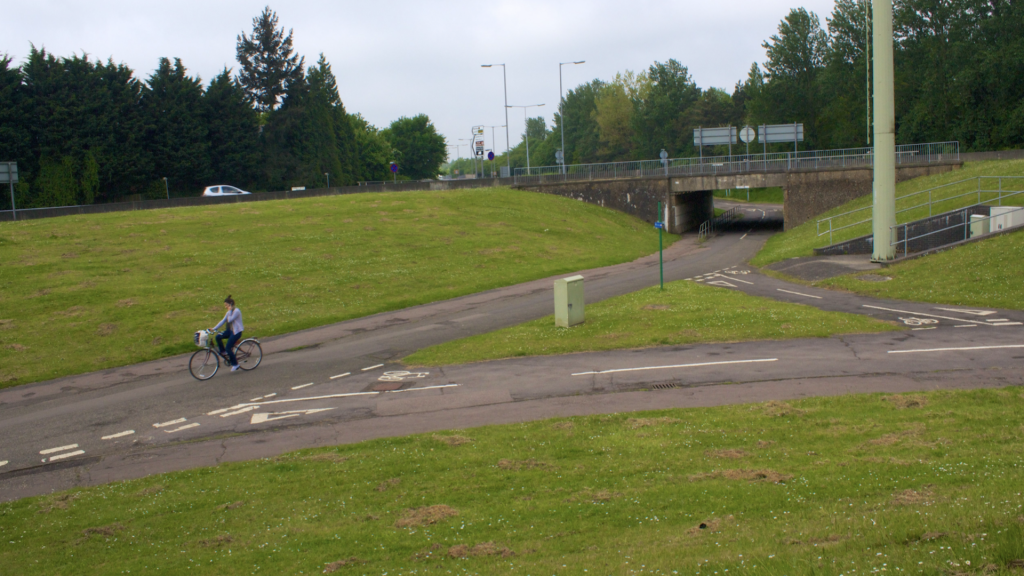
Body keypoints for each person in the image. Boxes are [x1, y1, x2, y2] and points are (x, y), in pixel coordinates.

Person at [211, 295, 244, 372]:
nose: (225, 307)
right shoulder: (229, 312)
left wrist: (229, 311)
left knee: (228, 347)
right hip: (231, 331)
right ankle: (223, 351)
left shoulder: (236, 311)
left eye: (226, 305)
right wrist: (214, 328)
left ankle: (235, 364)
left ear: (231, 304)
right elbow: (223, 321)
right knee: (218, 337)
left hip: (237, 332)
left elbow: (229, 320)